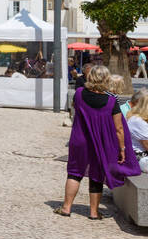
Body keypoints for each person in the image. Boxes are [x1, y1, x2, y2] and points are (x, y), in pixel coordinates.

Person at [58, 64, 140, 219]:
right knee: (96, 174)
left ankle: (66, 208)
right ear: (107, 79)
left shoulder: (79, 93)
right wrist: (122, 148)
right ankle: (94, 213)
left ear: (90, 77)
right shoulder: (111, 101)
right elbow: (119, 128)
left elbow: (76, 109)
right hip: (99, 142)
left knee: (74, 172)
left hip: (79, 139)